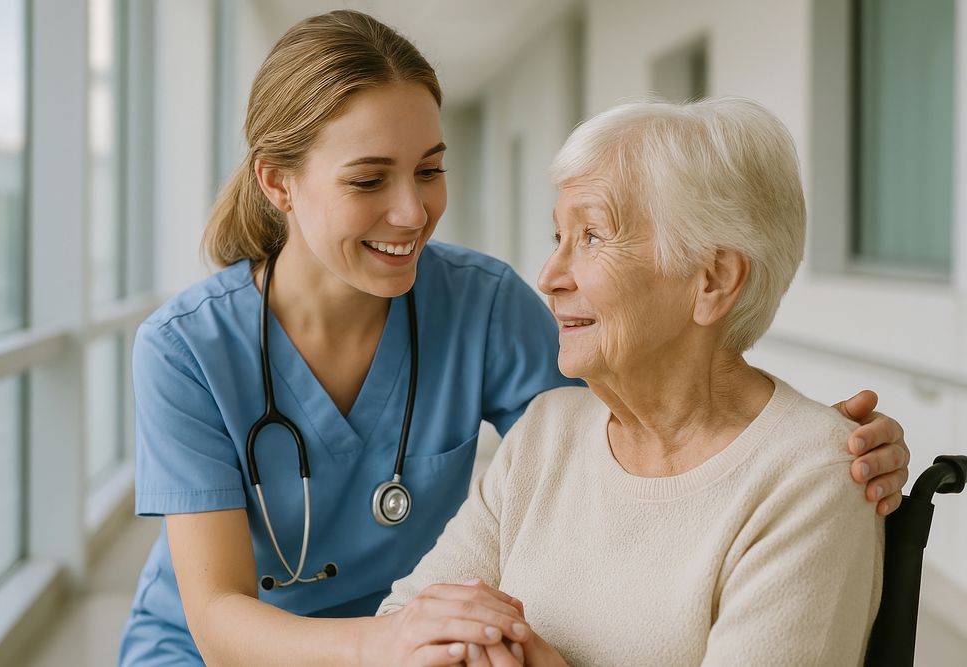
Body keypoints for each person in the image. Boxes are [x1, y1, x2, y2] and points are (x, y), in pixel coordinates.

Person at [119, 10, 909, 666]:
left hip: (412, 636)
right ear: (276, 181)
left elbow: (654, 414)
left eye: (430, 169)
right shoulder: (186, 348)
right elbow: (216, 617)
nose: (412, 212)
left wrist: (812, 446)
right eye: (368, 179)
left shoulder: (482, 305)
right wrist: (386, 641)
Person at [380, 98, 886, 666]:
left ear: (712, 280)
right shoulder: (547, 430)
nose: (549, 277)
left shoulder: (810, 478)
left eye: (593, 236)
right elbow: (403, 627)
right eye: (558, 236)